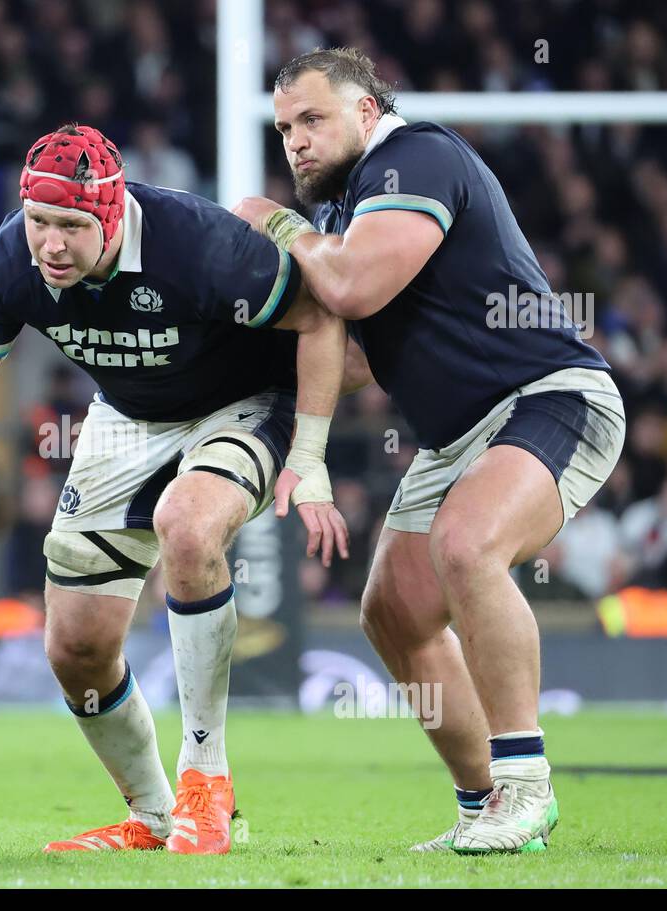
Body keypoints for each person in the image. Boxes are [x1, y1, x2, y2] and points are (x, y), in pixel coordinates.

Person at [0, 123, 348, 855]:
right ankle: (153, 814)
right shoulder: (12, 257)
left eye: (72, 226)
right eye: (39, 221)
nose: (50, 244)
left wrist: (313, 454)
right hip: (127, 416)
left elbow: (321, 317)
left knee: (189, 525)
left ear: (115, 214)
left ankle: (207, 780)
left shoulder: (196, 243)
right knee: (75, 646)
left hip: (245, 400)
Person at [235, 48, 626, 852]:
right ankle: (485, 803)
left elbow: (349, 289)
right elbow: (351, 361)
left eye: (313, 119)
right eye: (283, 129)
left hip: (551, 395)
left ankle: (526, 785)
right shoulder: (351, 217)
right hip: (457, 437)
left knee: (467, 546)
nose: (296, 143)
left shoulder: (418, 156)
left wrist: (279, 224)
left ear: (368, 113)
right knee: (393, 616)